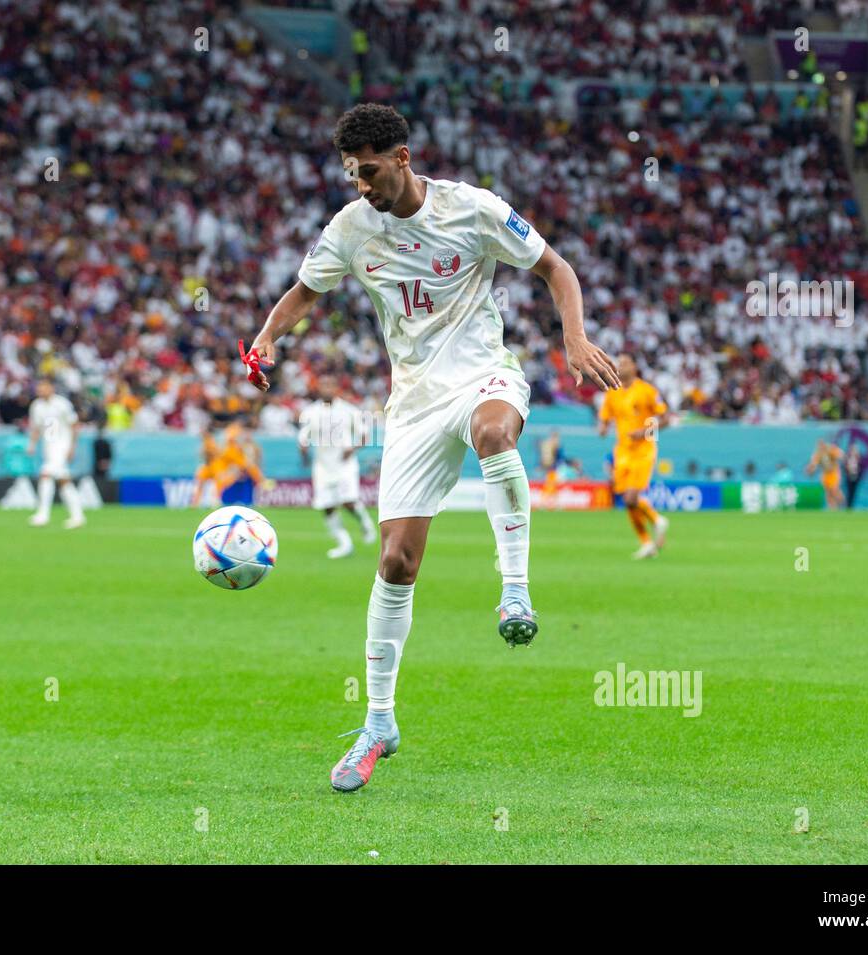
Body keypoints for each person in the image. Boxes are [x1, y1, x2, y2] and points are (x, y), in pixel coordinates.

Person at [243, 103, 619, 792]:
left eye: (370, 172)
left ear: (403, 159)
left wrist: (572, 337)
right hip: (413, 402)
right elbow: (303, 292)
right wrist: (268, 338)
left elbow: (556, 267)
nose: (363, 186)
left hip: (483, 374)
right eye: (353, 175)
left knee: (495, 432)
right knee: (394, 559)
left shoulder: (472, 209)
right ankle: (378, 722)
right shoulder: (351, 228)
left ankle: (514, 592)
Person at [598, 353, 671, 559]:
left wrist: (645, 432)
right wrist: (602, 427)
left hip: (644, 450)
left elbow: (665, 419)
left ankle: (657, 520)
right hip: (622, 451)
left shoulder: (647, 391)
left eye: (625, 362)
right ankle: (647, 542)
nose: (620, 366)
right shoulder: (612, 392)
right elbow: (605, 417)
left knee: (631, 496)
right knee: (628, 501)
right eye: (618, 363)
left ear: (635, 366)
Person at [298, 375, 376, 558]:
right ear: (318, 389)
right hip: (323, 466)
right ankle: (344, 544)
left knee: (348, 501)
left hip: (344, 465)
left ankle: (365, 522)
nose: (327, 389)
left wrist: (352, 449)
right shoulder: (310, 412)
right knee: (327, 505)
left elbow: (365, 436)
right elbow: (303, 438)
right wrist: (303, 450)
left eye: (330, 385)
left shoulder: (349, 411)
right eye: (323, 385)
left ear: (336, 389)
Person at [27, 378, 85, 529]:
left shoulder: (62, 404)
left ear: (51, 388)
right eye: (39, 387)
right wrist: (32, 445)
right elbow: (36, 428)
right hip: (49, 447)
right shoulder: (37, 406)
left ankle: (43, 514)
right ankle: (77, 516)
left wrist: (72, 447)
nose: (40, 390)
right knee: (63, 480)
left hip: (62, 446)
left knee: (45, 474)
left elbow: (74, 425)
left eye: (43, 387)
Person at [805, 439, 844, 510]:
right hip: (825, 473)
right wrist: (810, 469)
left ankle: (843, 503)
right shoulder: (817, 454)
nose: (821, 446)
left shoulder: (830, 449)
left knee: (834, 489)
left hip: (834, 472)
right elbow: (813, 464)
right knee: (828, 492)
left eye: (822, 444)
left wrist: (837, 455)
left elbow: (840, 454)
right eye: (819, 445)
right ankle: (832, 508)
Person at [843, 445, 865, 509]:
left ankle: (851, 506)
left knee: (854, 492)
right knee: (848, 492)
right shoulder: (847, 458)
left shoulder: (859, 459)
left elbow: (861, 468)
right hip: (849, 477)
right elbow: (844, 467)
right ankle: (847, 506)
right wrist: (847, 472)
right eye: (853, 450)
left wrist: (858, 475)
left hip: (856, 477)